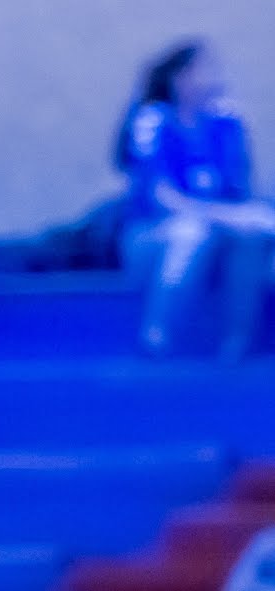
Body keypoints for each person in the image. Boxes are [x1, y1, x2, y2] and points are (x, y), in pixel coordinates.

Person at [114, 39, 275, 359]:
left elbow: (238, 189)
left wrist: (248, 216)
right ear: (180, 78)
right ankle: (158, 333)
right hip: (153, 234)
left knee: (252, 237)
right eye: (203, 69)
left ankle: (237, 341)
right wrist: (222, 216)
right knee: (191, 233)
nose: (213, 77)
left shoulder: (225, 121)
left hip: (216, 229)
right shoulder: (152, 121)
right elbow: (164, 199)